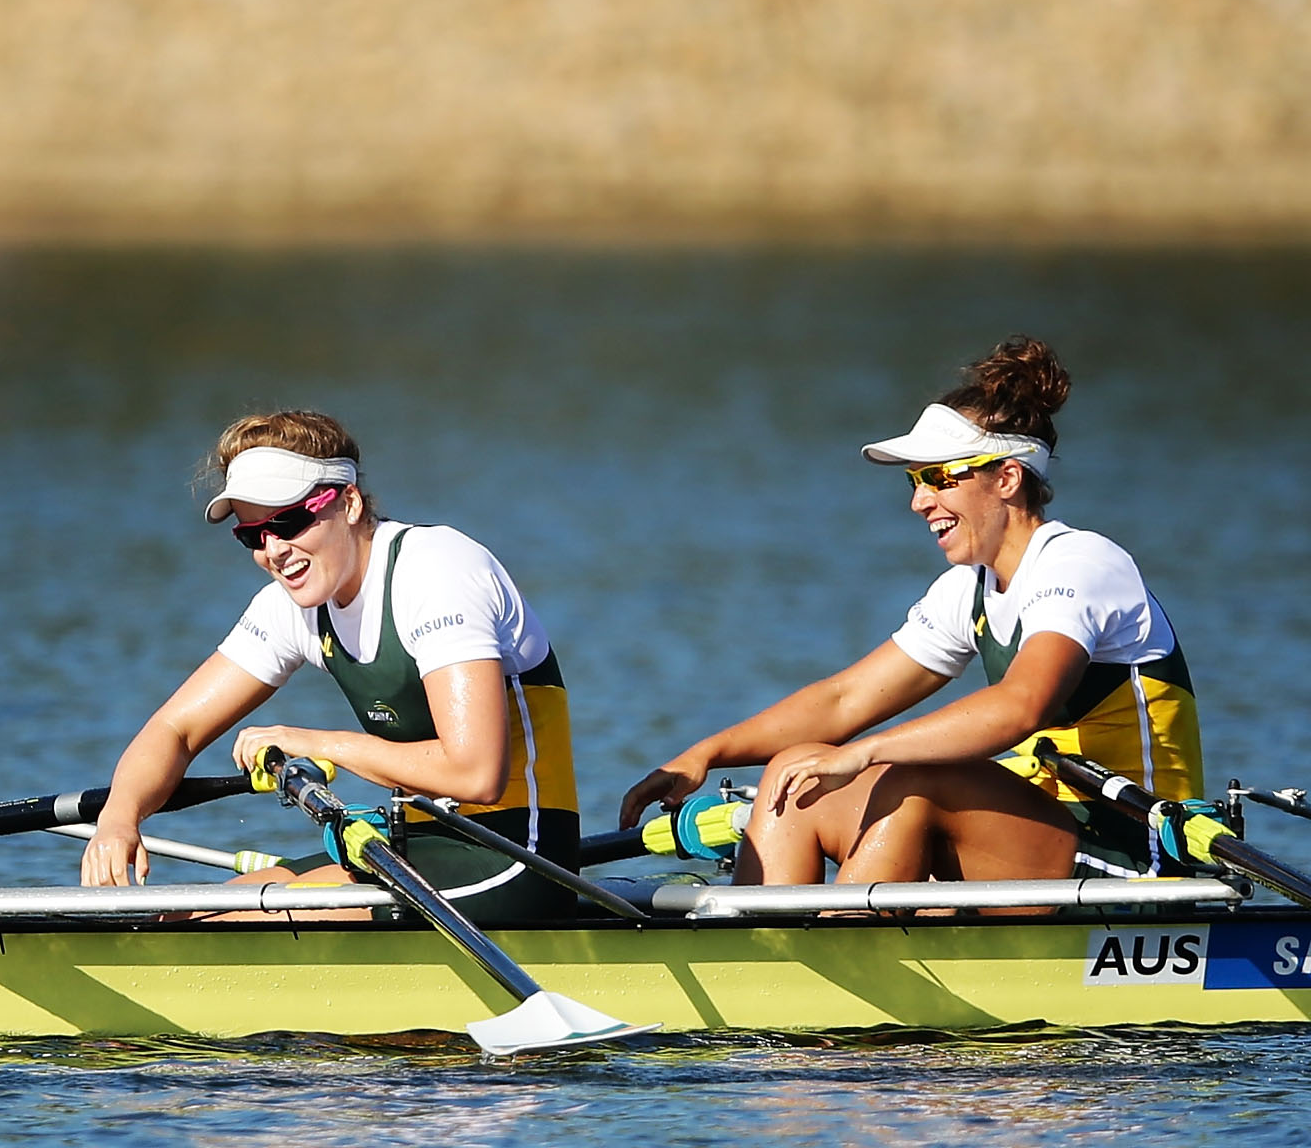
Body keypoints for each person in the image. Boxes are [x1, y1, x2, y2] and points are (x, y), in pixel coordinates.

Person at [620, 336, 1200, 885]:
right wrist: (706, 753)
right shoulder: (965, 589)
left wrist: (865, 754)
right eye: (916, 480)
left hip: (1130, 848)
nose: (921, 500)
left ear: (1008, 477)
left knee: (908, 782)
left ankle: (843, 948)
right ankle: (764, 955)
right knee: (794, 772)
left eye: (941, 477)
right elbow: (842, 700)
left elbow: (1020, 706)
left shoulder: (1082, 563)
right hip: (1027, 834)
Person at [81, 410, 583, 923]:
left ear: (348, 502)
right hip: (411, 844)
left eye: (289, 521)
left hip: (518, 859)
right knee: (190, 915)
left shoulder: (436, 572)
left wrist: (320, 744)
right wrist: (119, 819)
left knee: (231, 920)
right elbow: (176, 728)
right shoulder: (291, 604)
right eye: (252, 535)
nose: (274, 551)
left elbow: (476, 774)